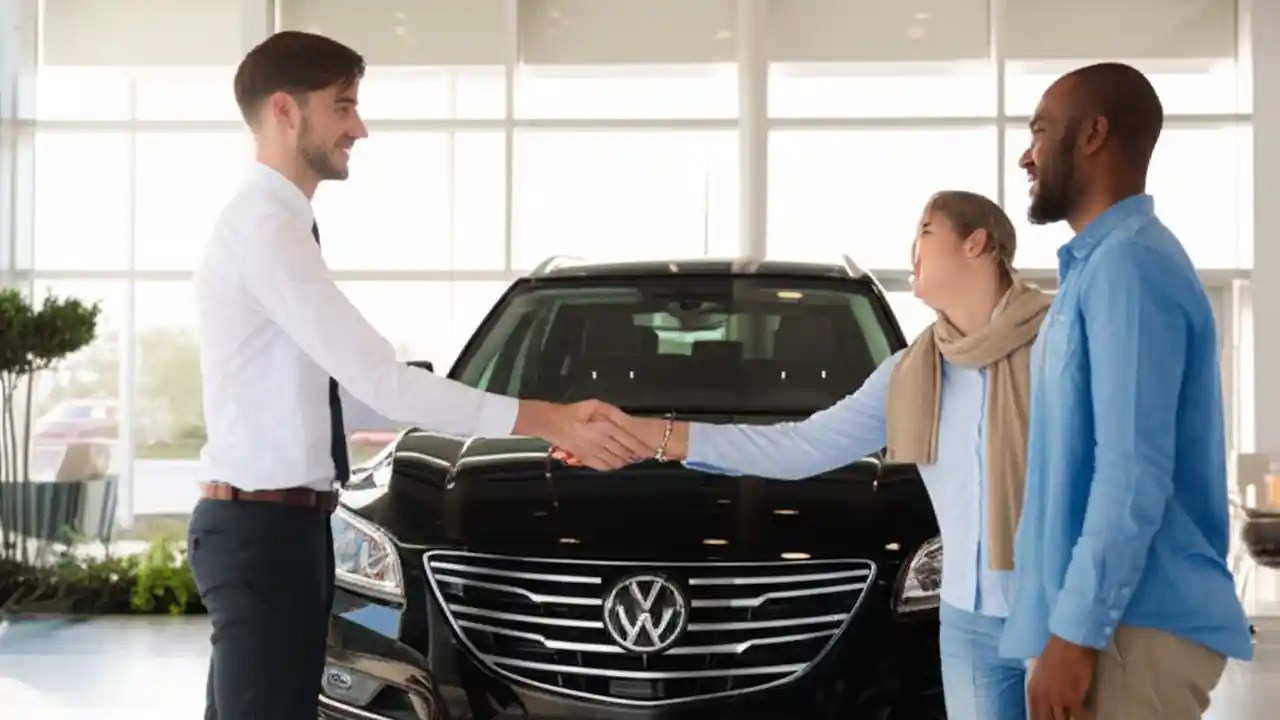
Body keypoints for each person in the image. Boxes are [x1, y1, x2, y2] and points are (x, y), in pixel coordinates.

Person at [190, 31, 646, 719]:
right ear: (286, 111)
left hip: (278, 529)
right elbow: (385, 383)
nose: (359, 128)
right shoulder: (266, 232)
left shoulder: (276, 226)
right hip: (263, 535)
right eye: (343, 107)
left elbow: (333, 393)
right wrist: (550, 419)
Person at [597, 190, 1052, 719]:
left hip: (1055, 613)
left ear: (976, 244)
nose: (913, 251)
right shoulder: (914, 373)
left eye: (926, 231)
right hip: (966, 621)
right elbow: (800, 446)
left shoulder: (1058, 342)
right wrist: (660, 436)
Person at [996, 62, 1254, 720]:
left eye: (1041, 131)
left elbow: (1131, 471)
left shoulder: (1129, 267)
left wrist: (1075, 635)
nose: (1027, 155)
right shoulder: (1096, 268)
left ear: (1092, 136)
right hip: (1107, 628)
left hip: (1127, 632)